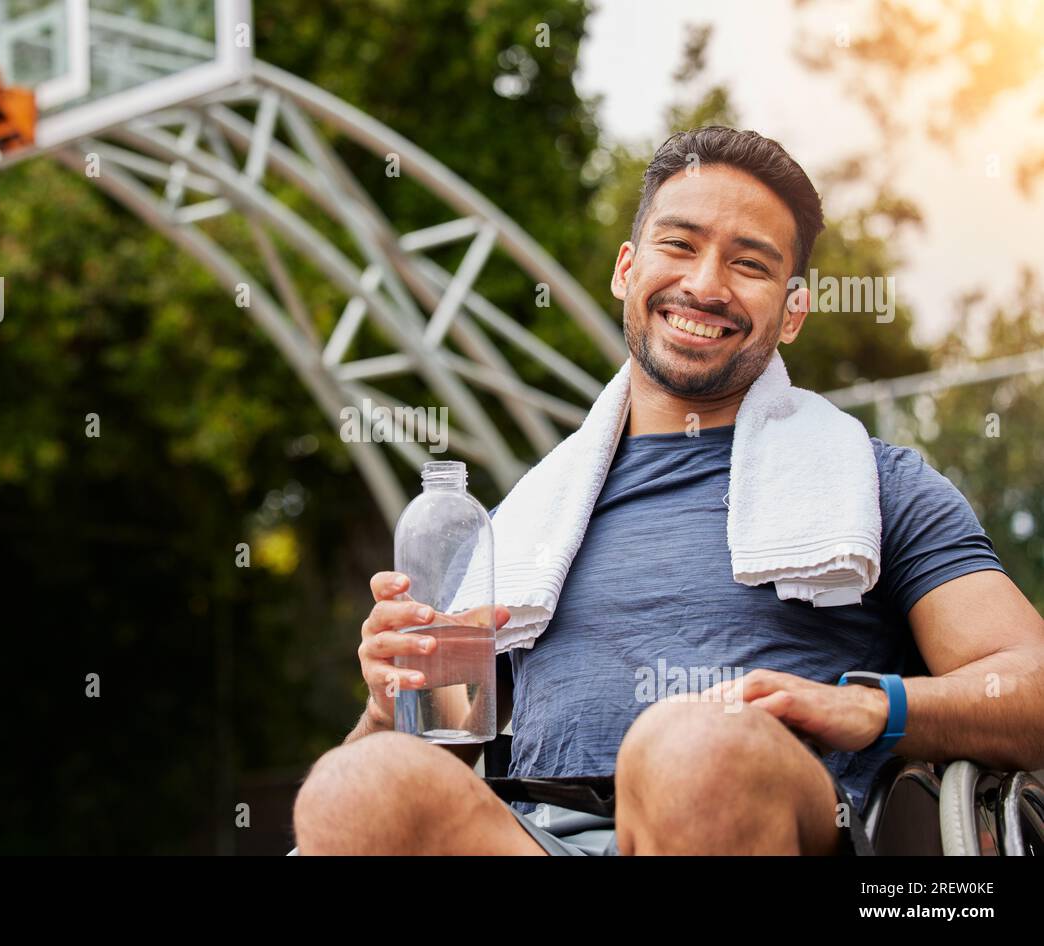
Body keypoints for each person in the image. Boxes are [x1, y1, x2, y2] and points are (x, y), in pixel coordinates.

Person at [291, 126, 1044, 855]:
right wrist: (389, 706)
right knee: (355, 786)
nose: (705, 284)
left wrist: (871, 705)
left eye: (749, 264)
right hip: (540, 840)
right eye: (679, 245)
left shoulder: (877, 485)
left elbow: (1030, 682)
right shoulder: (522, 530)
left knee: (688, 747)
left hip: (765, 817)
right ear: (627, 269)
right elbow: (442, 748)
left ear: (793, 312)